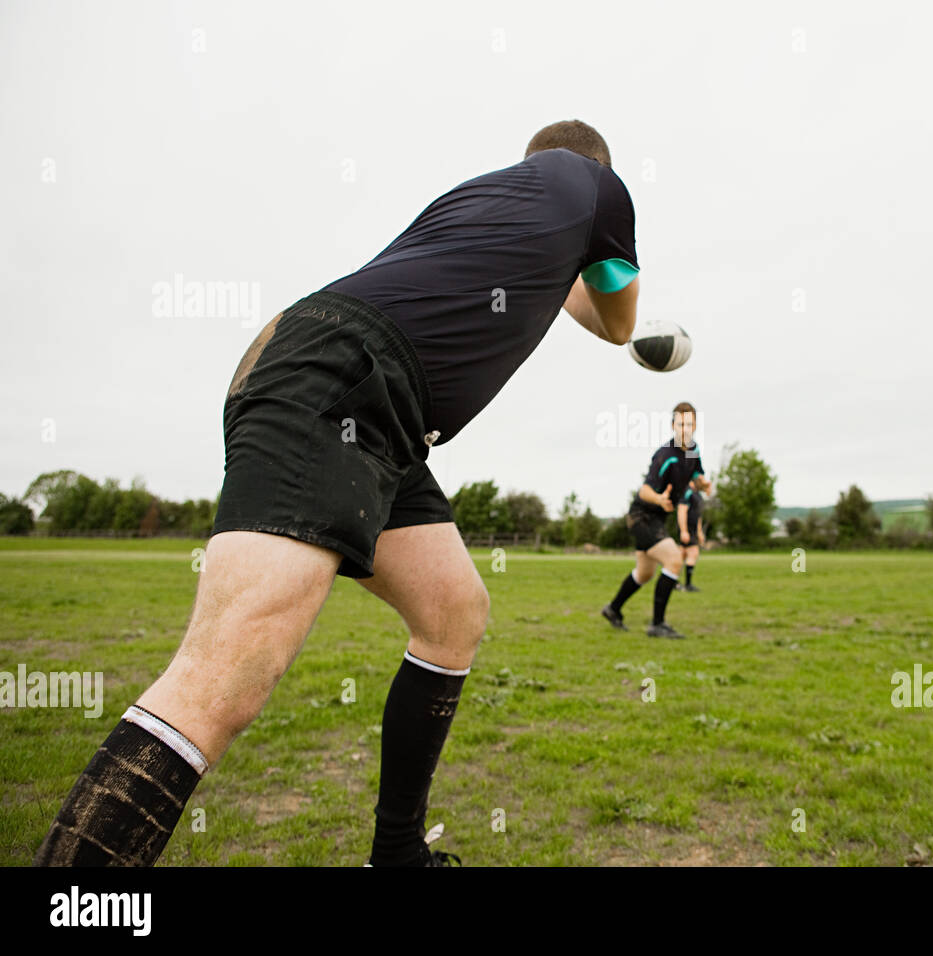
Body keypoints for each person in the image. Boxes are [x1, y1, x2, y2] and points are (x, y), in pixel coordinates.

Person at [34, 119, 640, 868]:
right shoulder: (599, 189)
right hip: (347, 375)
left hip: (375, 401)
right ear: (597, 167)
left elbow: (555, 295)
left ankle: (398, 855)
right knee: (228, 670)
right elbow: (617, 321)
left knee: (454, 611)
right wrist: (637, 327)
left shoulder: (496, 200)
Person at [601, 403, 711, 638]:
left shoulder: (693, 449)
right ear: (673, 426)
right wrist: (659, 499)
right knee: (674, 560)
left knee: (644, 573)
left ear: (695, 426)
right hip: (642, 517)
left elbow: (696, 475)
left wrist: (704, 484)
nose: (685, 429)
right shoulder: (665, 455)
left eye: (690, 424)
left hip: (656, 520)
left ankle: (613, 609)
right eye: (681, 424)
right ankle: (657, 624)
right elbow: (644, 491)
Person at [677, 480, 706, 592]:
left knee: (681, 555)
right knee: (693, 552)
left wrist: (699, 532)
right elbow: (681, 510)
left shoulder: (697, 494)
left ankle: (672, 582)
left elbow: (698, 515)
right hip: (687, 528)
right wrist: (683, 530)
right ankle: (688, 585)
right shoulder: (687, 491)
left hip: (693, 530)